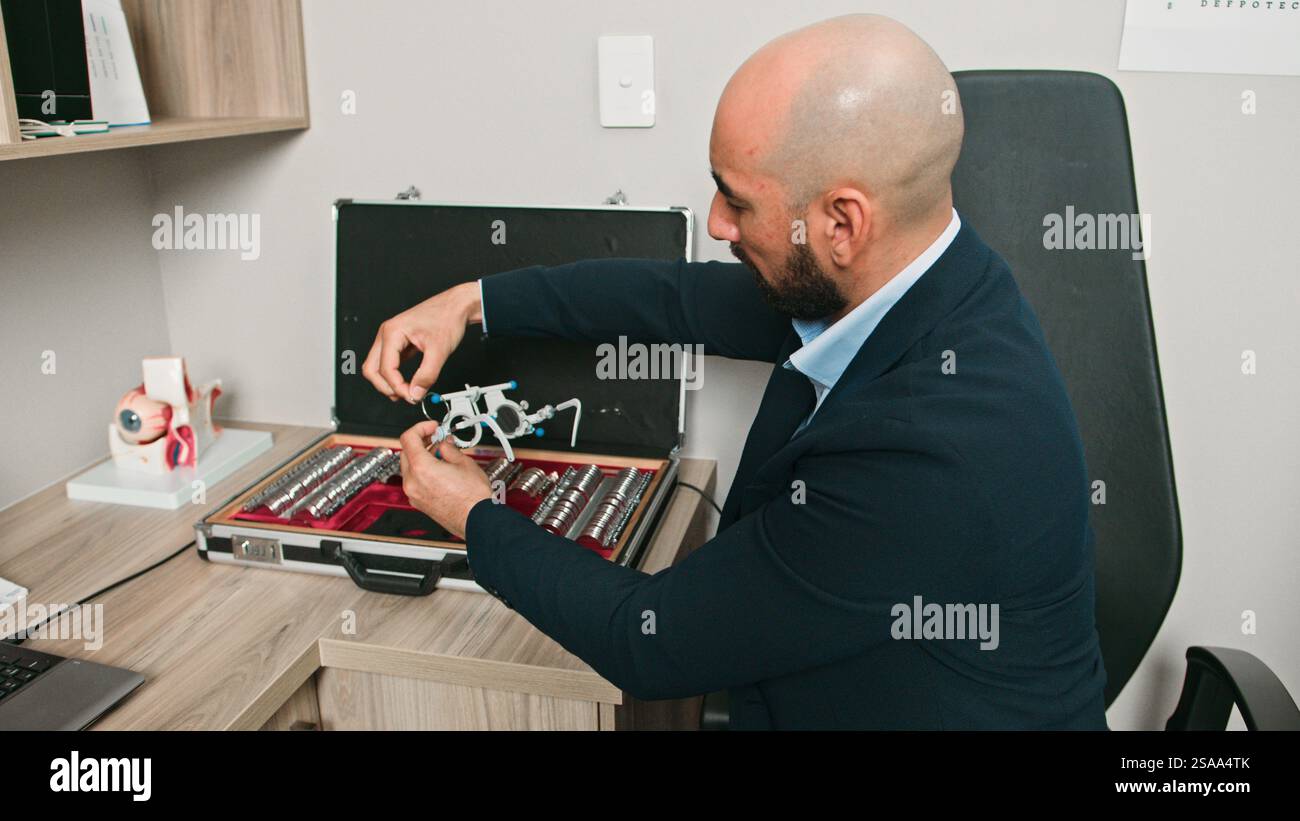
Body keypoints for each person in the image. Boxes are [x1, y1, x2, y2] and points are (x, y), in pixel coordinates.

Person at [362, 13, 1108, 730]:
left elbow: (647, 641)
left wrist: (471, 513)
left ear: (841, 224)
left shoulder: (930, 456)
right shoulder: (920, 276)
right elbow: (674, 299)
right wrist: (471, 302)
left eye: (737, 200)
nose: (716, 222)